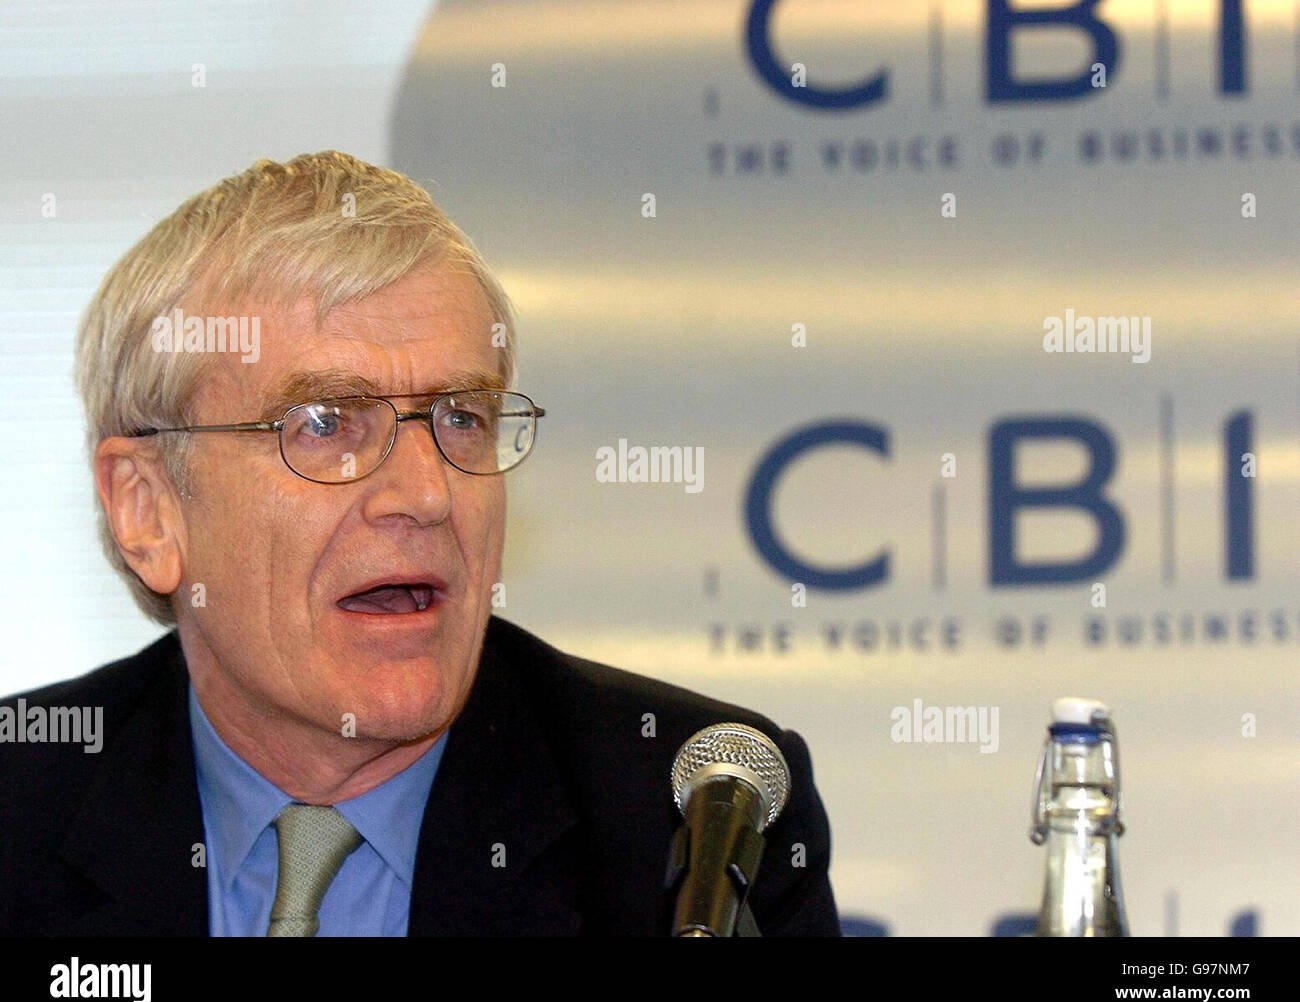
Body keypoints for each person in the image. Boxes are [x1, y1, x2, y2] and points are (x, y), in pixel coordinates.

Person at [0, 152, 839, 937]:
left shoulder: (692, 819)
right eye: (325, 424)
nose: (427, 494)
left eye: (462, 418)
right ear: (148, 510)